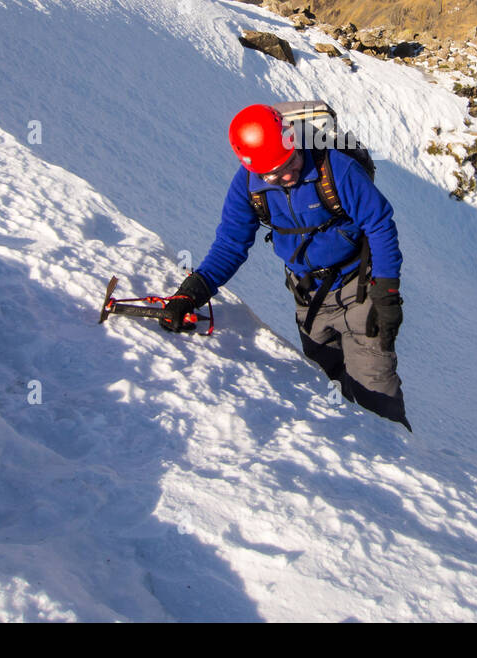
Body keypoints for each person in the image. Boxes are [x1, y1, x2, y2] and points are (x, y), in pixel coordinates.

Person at [159, 103, 411, 431]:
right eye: (274, 174)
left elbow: (379, 225)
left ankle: (401, 469)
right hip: (309, 302)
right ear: (253, 169)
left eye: (290, 160)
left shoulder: (335, 169)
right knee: (326, 392)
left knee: (377, 399)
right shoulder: (246, 188)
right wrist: (190, 293)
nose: (288, 174)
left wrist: (387, 292)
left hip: (360, 291)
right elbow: (230, 246)